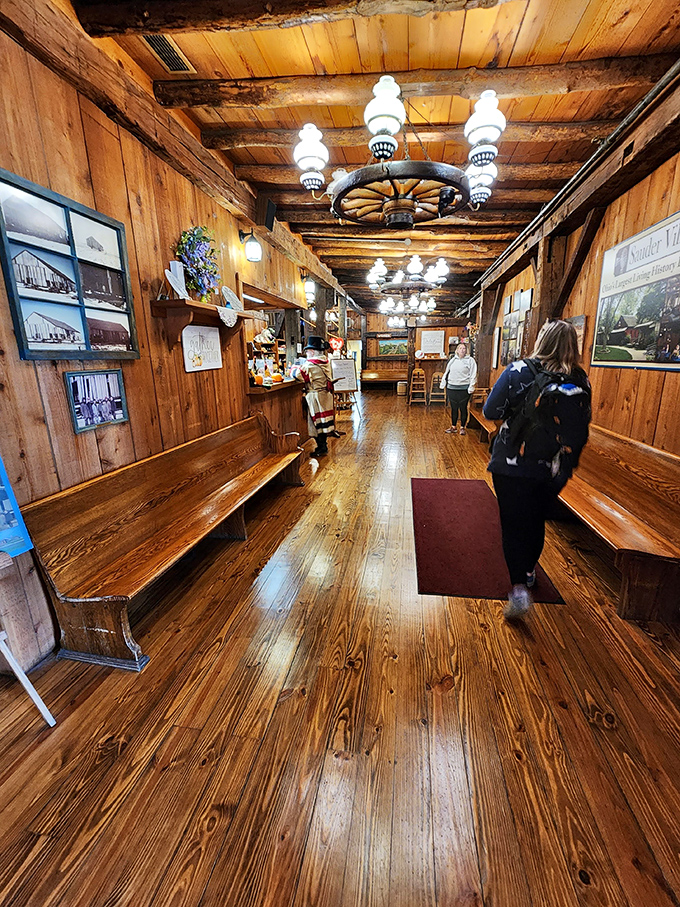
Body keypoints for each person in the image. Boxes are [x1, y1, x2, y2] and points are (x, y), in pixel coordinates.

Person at [483, 320, 591, 620]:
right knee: (535, 520)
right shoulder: (581, 380)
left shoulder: (519, 370)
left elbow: (490, 411)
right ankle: (530, 570)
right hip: (554, 467)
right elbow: (581, 425)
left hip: (511, 464)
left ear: (542, 340)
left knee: (513, 525)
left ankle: (519, 587)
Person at [293, 335, 337, 456]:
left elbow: (297, 375)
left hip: (315, 395)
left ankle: (322, 447)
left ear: (312, 352)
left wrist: (293, 368)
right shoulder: (326, 361)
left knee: (316, 422)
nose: (306, 353)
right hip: (325, 395)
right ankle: (323, 446)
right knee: (324, 420)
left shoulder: (310, 364)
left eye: (307, 351)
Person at [440, 341, 477, 434]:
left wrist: (471, 386)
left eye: (464, 348)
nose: (462, 350)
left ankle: (462, 427)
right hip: (452, 388)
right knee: (454, 408)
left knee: (463, 408)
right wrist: (443, 382)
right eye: (460, 348)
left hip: (464, 388)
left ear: (466, 350)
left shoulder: (470, 360)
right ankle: (453, 426)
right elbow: (446, 371)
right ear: (457, 350)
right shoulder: (453, 360)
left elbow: (473, 374)